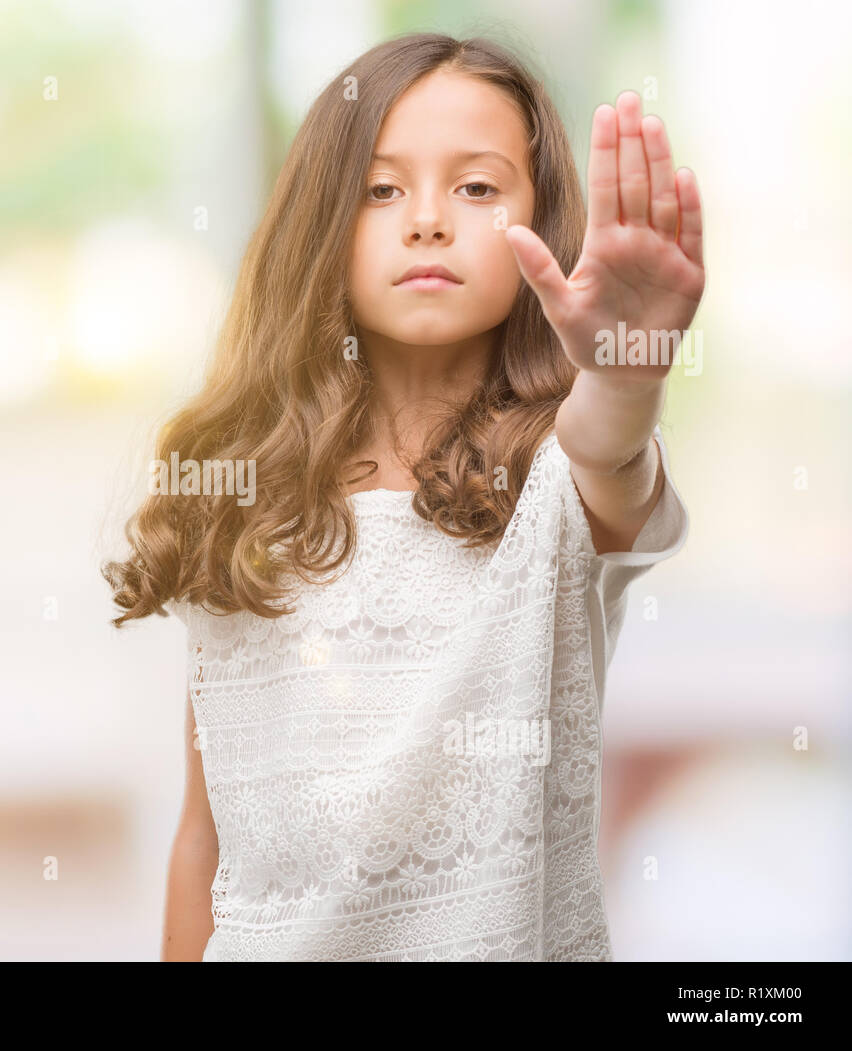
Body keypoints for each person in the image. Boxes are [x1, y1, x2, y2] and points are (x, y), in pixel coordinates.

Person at [102, 32, 701, 961]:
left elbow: (609, 441)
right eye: (381, 189)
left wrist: (626, 366)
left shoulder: (554, 479)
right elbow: (206, 835)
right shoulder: (245, 496)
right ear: (321, 221)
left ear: (542, 222)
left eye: (478, 187)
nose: (427, 220)